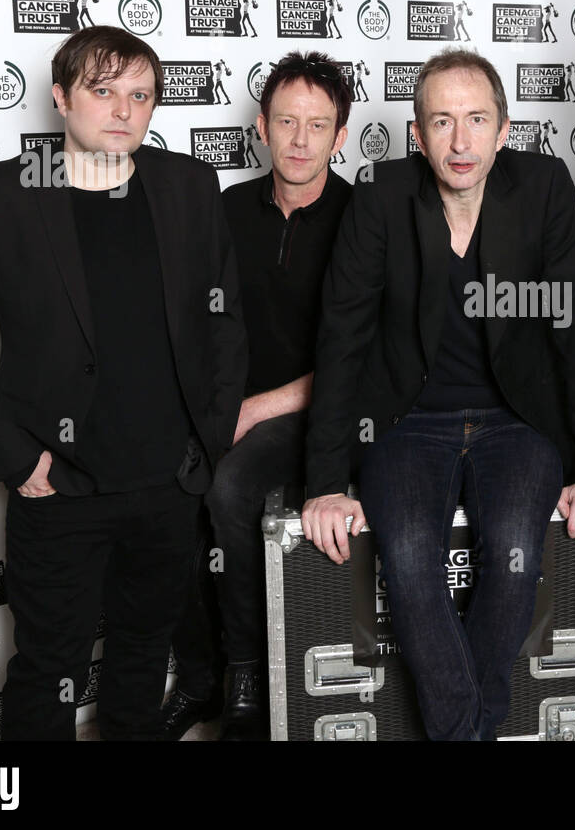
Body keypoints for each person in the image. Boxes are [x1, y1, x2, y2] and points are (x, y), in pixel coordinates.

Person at [0, 25, 248, 740]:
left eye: (140, 96)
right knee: (48, 671)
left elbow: (223, 322)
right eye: (103, 92)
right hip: (59, 482)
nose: (123, 112)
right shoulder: (1, 194)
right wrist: (21, 461)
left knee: (140, 660)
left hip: (168, 483)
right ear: (62, 97)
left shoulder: (189, 186)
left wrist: (210, 441)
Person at [302, 47, 575, 740]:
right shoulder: (382, 194)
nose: (460, 140)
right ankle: (471, 731)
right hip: (408, 422)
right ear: (417, 136)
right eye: (441, 122)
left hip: (516, 421)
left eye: (477, 120)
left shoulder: (543, 186)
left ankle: (463, 729)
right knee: (409, 559)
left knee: (513, 556)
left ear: (505, 129)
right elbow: (341, 339)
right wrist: (324, 478)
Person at [162, 52, 353, 741]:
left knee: (233, 488)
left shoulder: (365, 217)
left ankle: (249, 675)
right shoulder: (225, 209)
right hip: (229, 405)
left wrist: (253, 411)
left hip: (324, 413)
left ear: (340, 136)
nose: (300, 140)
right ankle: (201, 676)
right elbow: (195, 325)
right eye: (286, 122)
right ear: (261, 127)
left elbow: (357, 360)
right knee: (161, 483)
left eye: (317, 125)